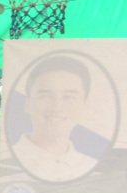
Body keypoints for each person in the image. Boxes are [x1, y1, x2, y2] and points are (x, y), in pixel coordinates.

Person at [9, 54, 103, 182]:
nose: (57, 107)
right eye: (45, 95)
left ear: (84, 105)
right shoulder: (7, 164)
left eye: (69, 97)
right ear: (27, 103)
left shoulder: (92, 168)